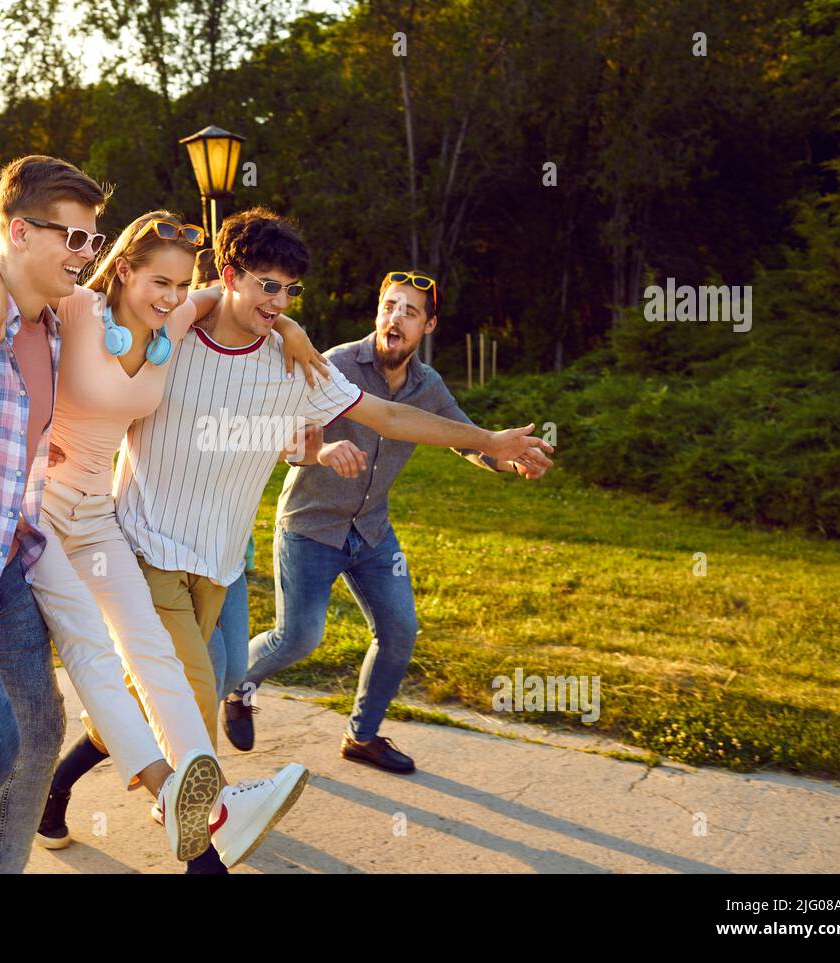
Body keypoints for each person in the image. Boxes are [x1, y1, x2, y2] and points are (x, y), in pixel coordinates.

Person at [106, 207, 552, 867]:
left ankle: (80, 775)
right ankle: (211, 821)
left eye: (289, 292)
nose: (278, 301)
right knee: (197, 693)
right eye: (265, 285)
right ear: (229, 275)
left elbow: (394, 417)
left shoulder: (298, 362)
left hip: (222, 558)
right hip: (150, 546)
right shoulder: (181, 329)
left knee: (200, 679)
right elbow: (131, 305)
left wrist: (490, 441)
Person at [0, 156, 227, 873]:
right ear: (20, 233)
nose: (86, 255)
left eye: (93, 239)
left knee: (42, 728)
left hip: (10, 557)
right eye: (73, 239)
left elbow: (192, 297)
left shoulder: (54, 326)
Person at [0, 209, 330, 872]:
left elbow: (221, 292)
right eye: (160, 280)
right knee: (98, 656)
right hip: (40, 513)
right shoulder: (76, 309)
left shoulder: (169, 326)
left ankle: (214, 803)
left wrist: (289, 325)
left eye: (180, 285)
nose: (172, 296)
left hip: (97, 516)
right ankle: (194, 809)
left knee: (153, 653)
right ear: (122, 268)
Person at [225, 270, 550, 773]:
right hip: (311, 526)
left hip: (371, 531)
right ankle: (236, 688)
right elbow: (285, 436)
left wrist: (509, 461)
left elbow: (464, 439)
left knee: (400, 630)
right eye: (390, 306)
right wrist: (324, 449)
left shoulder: (428, 385)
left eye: (410, 311)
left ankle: (363, 735)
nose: (395, 318)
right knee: (299, 637)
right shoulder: (334, 364)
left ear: (428, 326)